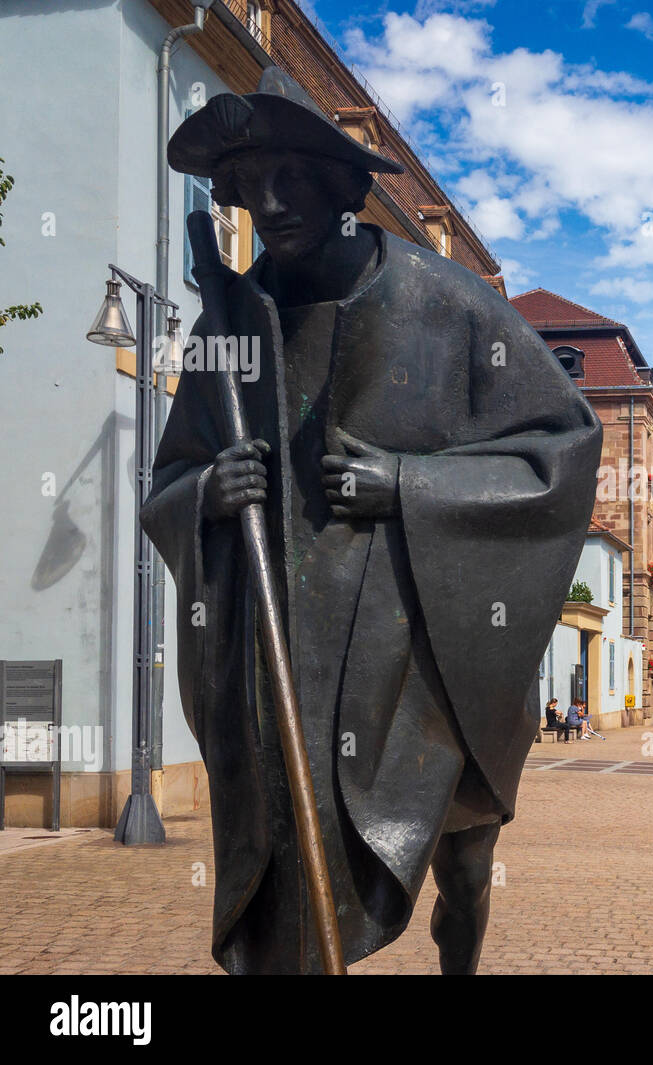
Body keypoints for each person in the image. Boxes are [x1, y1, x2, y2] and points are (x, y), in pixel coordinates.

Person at [147, 68, 602, 975]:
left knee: (466, 863)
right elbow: (170, 482)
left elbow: (561, 452)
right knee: (288, 862)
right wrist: (210, 490)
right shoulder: (231, 323)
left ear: (341, 184)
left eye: (292, 178)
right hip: (288, 647)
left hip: (426, 649)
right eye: (249, 184)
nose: (268, 204)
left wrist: (406, 483)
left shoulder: (450, 303)